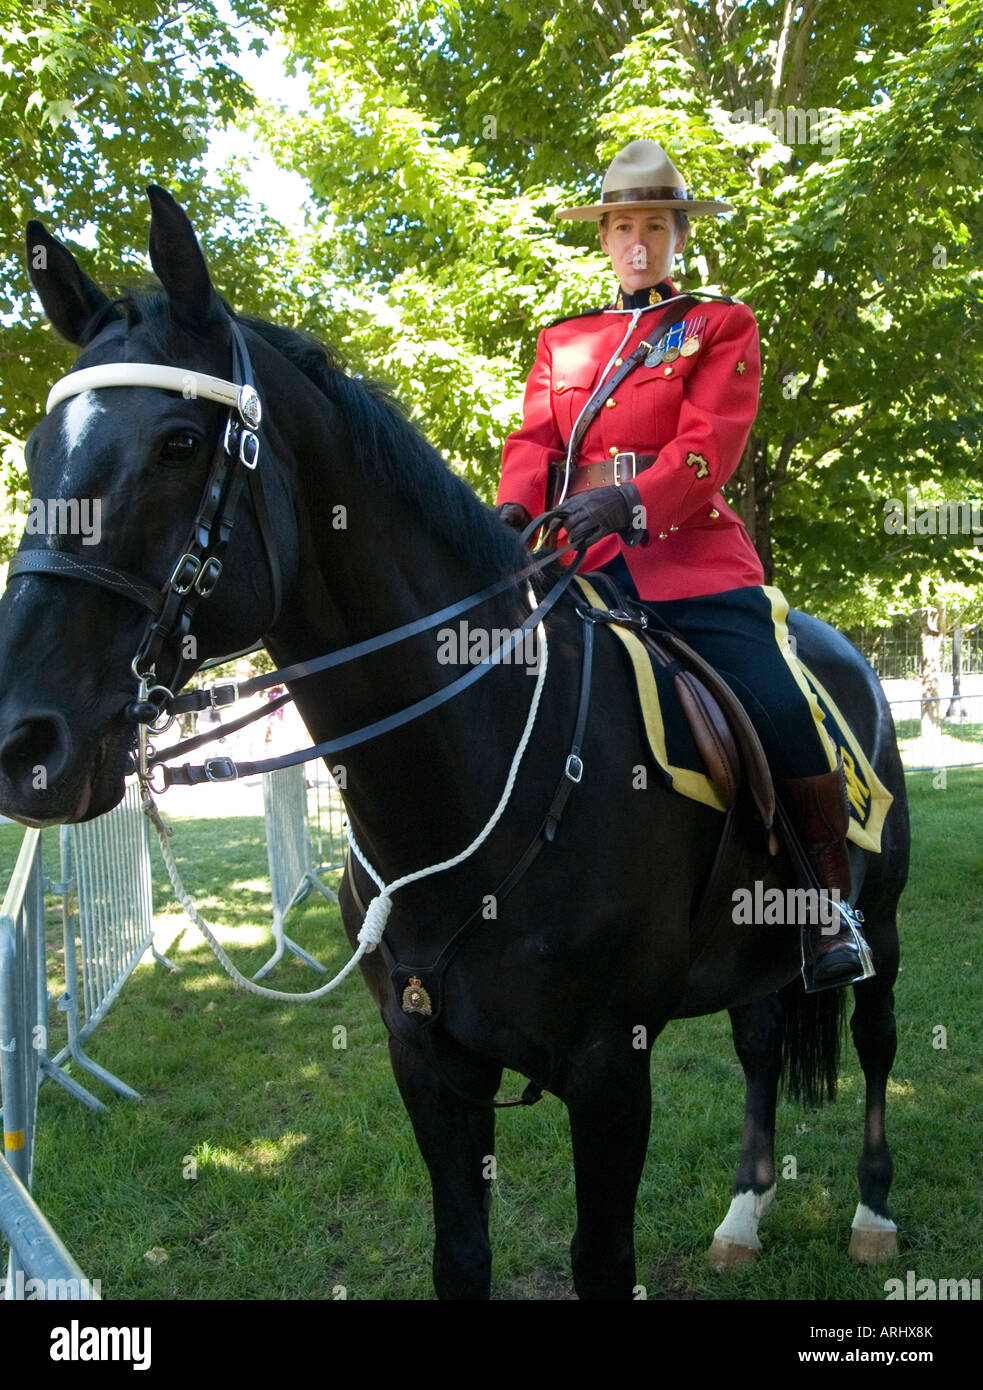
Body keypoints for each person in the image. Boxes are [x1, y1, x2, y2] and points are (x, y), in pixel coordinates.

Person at [496, 139, 866, 988]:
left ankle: (824, 911)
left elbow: (709, 447)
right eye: (622, 226)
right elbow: (534, 442)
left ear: (677, 238)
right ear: (602, 238)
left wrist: (628, 503)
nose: (637, 243)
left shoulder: (716, 324)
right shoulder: (565, 340)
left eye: (654, 227)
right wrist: (515, 509)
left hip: (688, 563)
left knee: (775, 698)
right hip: (573, 561)